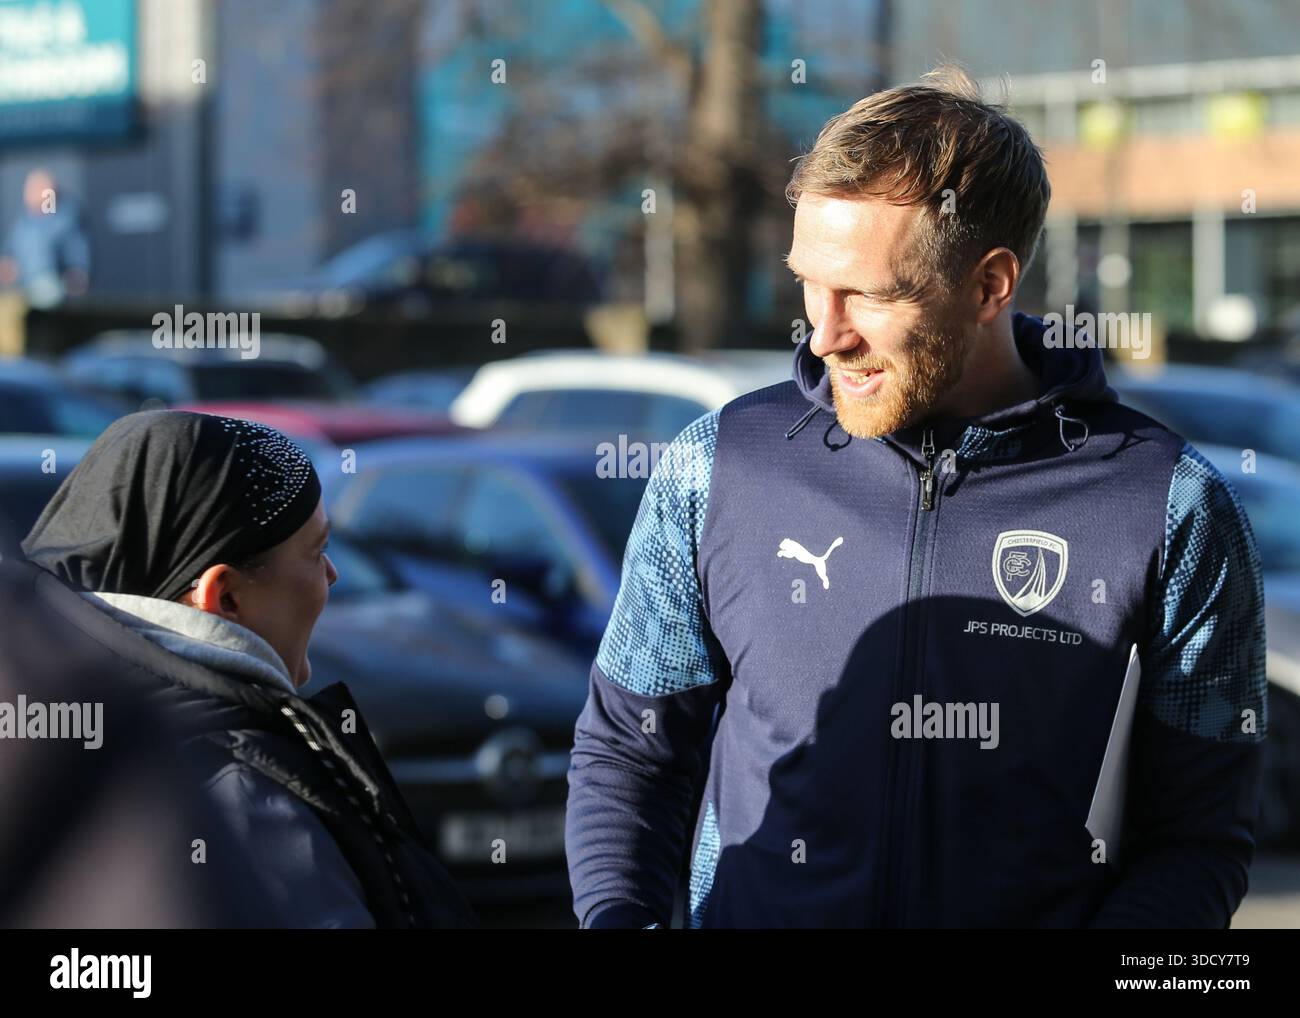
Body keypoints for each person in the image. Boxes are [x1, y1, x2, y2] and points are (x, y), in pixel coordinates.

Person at [565, 66, 1266, 928]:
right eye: (808, 283)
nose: (824, 333)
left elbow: (1199, 837)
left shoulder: (1169, 502)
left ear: (989, 284)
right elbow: (628, 755)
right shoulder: (717, 467)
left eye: (868, 293)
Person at [13, 410, 474, 928]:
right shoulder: (242, 796)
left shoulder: (42, 742)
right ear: (224, 596)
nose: (333, 572)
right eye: (317, 550)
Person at [0, 169, 90, 307]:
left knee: (45, 290)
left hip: (51, 288)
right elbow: (9, 257)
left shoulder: (63, 219)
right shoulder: (22, 224)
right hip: (22, 288)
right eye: (30, 189)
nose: (31, 193)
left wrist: (77, 274)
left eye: (39, 189)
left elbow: (77, 257)